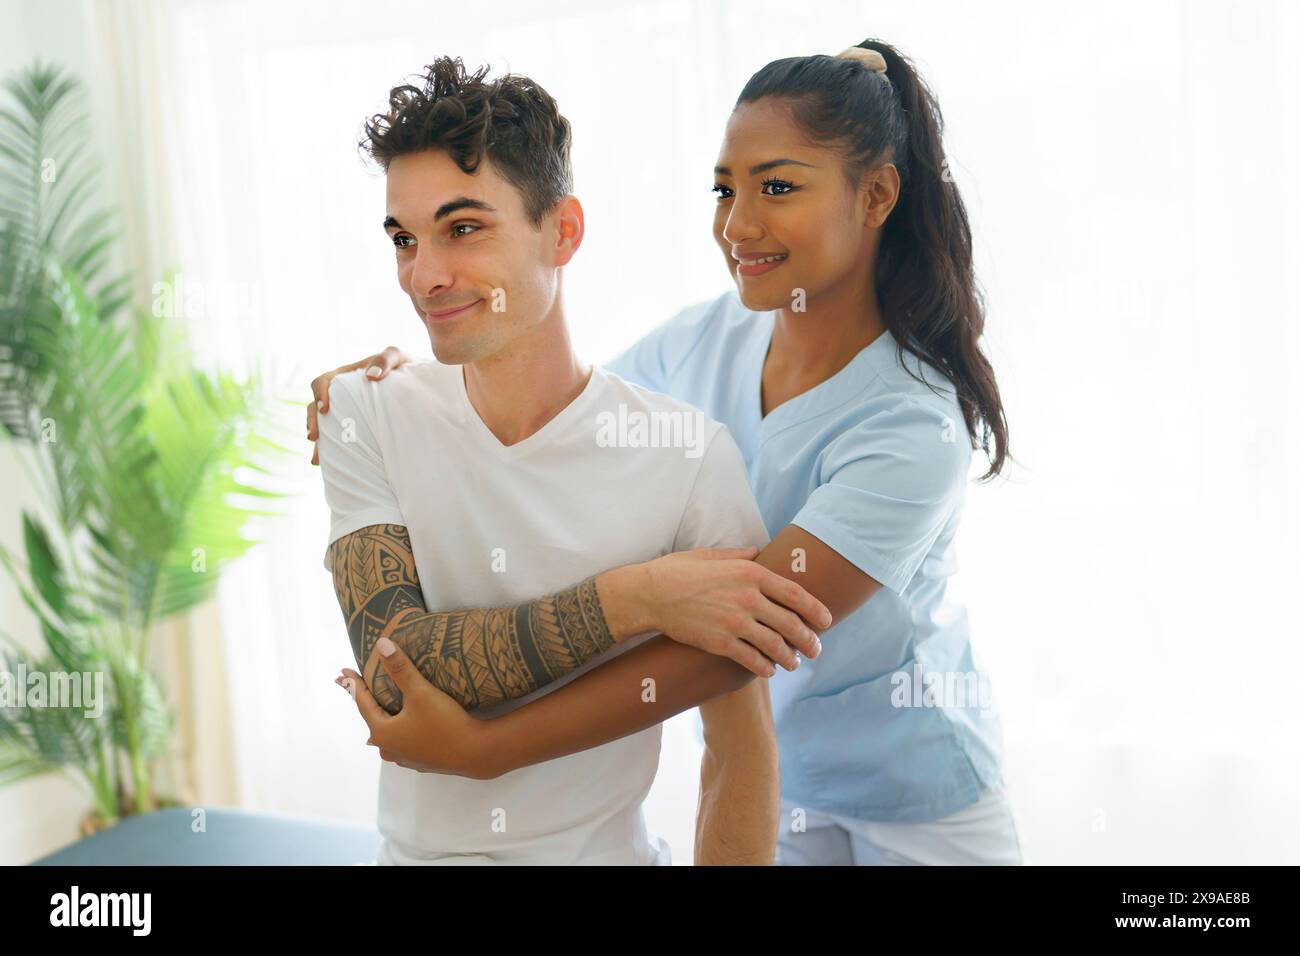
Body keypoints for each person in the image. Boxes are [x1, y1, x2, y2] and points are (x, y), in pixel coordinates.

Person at [312, 38, 1024, 865]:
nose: (739, 223)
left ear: (875, 197)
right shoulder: (705, 340)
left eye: (779, 187)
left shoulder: (913, 424)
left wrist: (484, 750)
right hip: (791, 783)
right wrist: (408, 379)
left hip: (916, 790)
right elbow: (564, 410)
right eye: (726, 189)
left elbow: (736, 636)